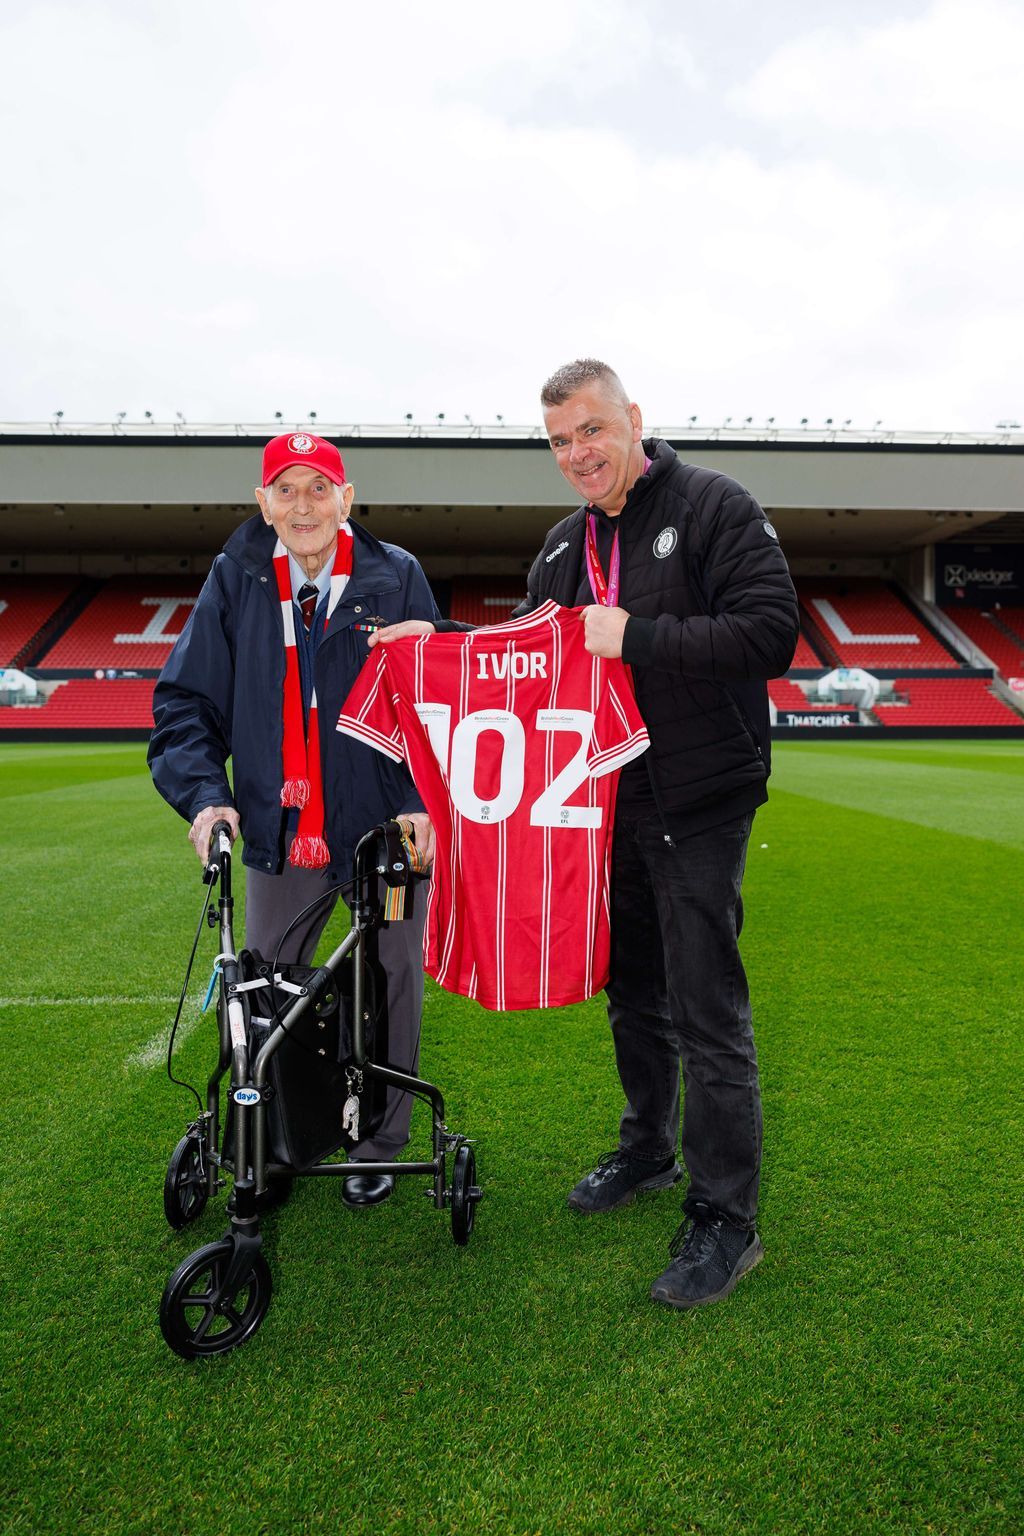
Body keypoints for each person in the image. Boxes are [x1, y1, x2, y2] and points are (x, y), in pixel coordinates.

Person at [371, 360, 800, 1307]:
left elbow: (772, 634)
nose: (578, 453)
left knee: (707, 1009)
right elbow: (527, 659)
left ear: (633, 419)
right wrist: (433, 638)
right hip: (601, 802)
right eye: (561, 440)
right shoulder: (564, 547)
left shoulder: (714, 505)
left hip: (698, 798)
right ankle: (647, 1149)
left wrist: (637, 636)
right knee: (632, 992)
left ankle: (726, 1218)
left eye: (592, 430)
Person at [149, 431, 440, 1207]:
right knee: (268, 982)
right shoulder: (237, 577)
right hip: (282, 828)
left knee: (393, 975)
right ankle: (273, 1141)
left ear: (347, 499)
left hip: (384, 829)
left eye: (319, 488)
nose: (303, 505)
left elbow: (432, 704)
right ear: (263, 502)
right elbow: (186, 702)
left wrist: (420, 800)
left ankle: (378, 1143)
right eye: (286, 489)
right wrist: (206, 795)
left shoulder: (396, 575)